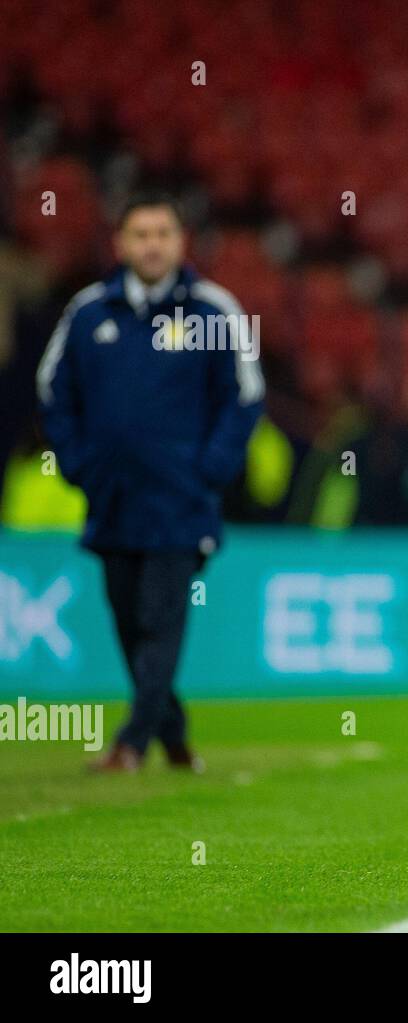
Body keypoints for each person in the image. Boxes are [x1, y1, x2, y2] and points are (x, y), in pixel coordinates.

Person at [36, 192, 264, 772]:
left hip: (181, 502)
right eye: (140, 234)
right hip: (111, 498)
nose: (152, 244)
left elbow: (245, 394)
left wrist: (210, 469)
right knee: (129, 623)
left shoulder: (212, 311)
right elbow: (53, 391)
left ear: (180, 241)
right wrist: (79, 463)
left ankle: (131, 744)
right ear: (121, 244)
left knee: (161, 620)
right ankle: (175, 735)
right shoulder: (89, 313)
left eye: (162, 233)